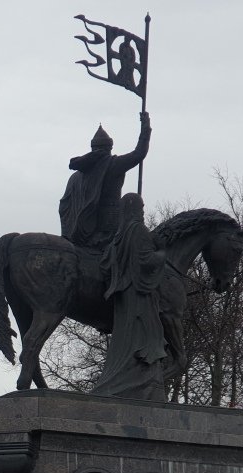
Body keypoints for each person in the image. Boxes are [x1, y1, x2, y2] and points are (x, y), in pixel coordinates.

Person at [93, 193, 167, 400]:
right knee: (145, 336)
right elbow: (147, 261)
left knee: (124, 340)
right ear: (134, 210)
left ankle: (125, 380)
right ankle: (142, 382)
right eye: (141, 208)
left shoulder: (119, 236)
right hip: (139, 296)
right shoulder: (139, 230)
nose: (143, 212)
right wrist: (161, 251)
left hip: (124, 295)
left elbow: (107, 263)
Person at [59, 112, 151, 251]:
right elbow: (139, 153)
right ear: (109, 147)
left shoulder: (76, 176)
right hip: (109, 228)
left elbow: (64, 207)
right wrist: (145, 128)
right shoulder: (113, 164)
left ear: (93, 148)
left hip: (81, 231)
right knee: (133, 250)